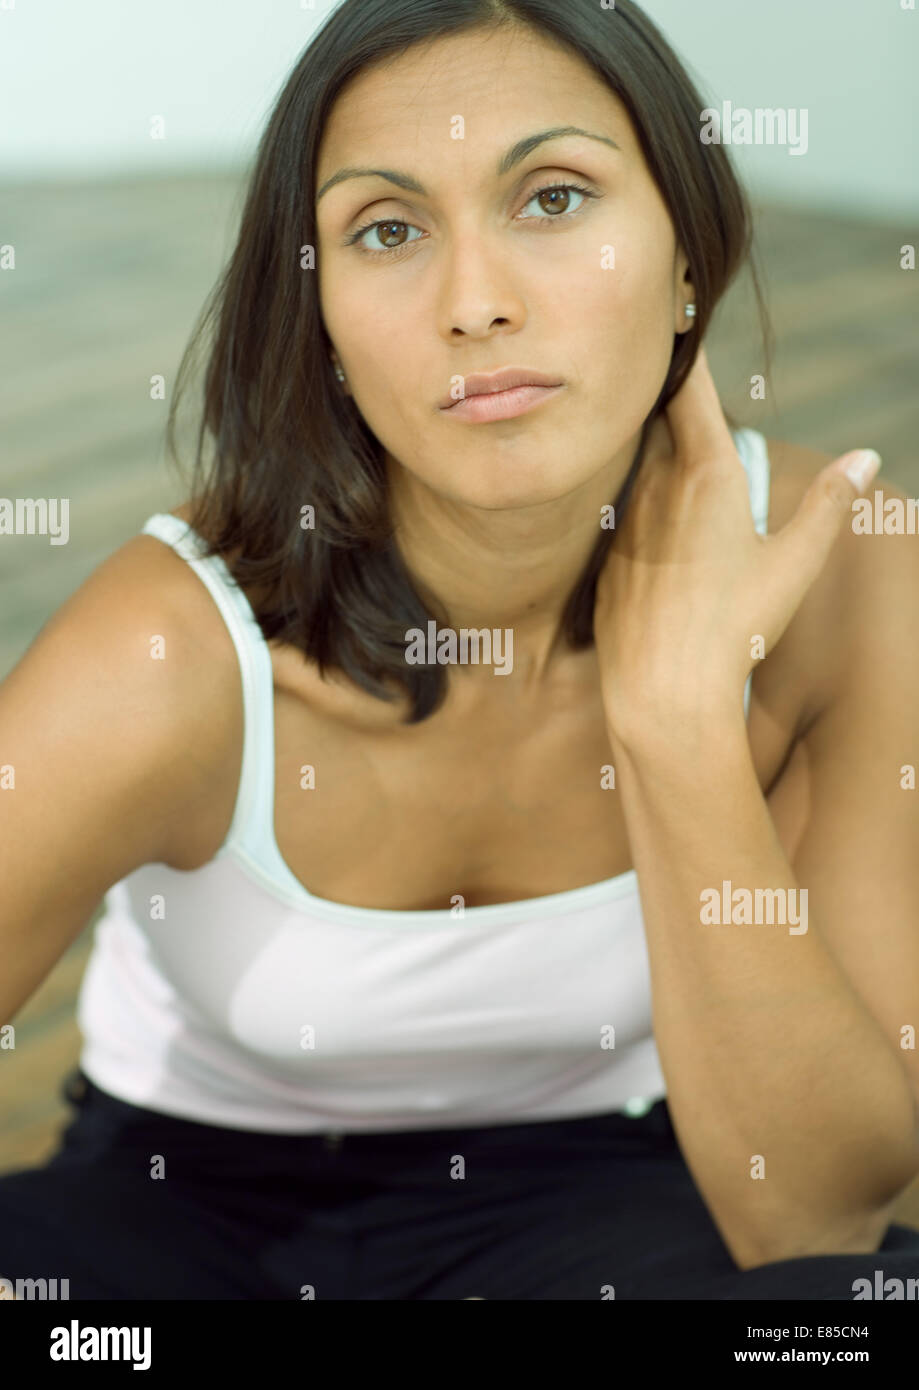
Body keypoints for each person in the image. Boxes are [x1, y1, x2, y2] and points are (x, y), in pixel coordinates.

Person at [2, 0, 918, 1301]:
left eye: (553, 198)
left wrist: (677, 726)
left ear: (687, 256)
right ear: (315, 316)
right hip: (190, 1219)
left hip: (636, 1204)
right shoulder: (169, 647)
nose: (477, 303)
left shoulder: (853, 561)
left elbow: (811, 1218)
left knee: (854, 1318)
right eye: (388, 229)